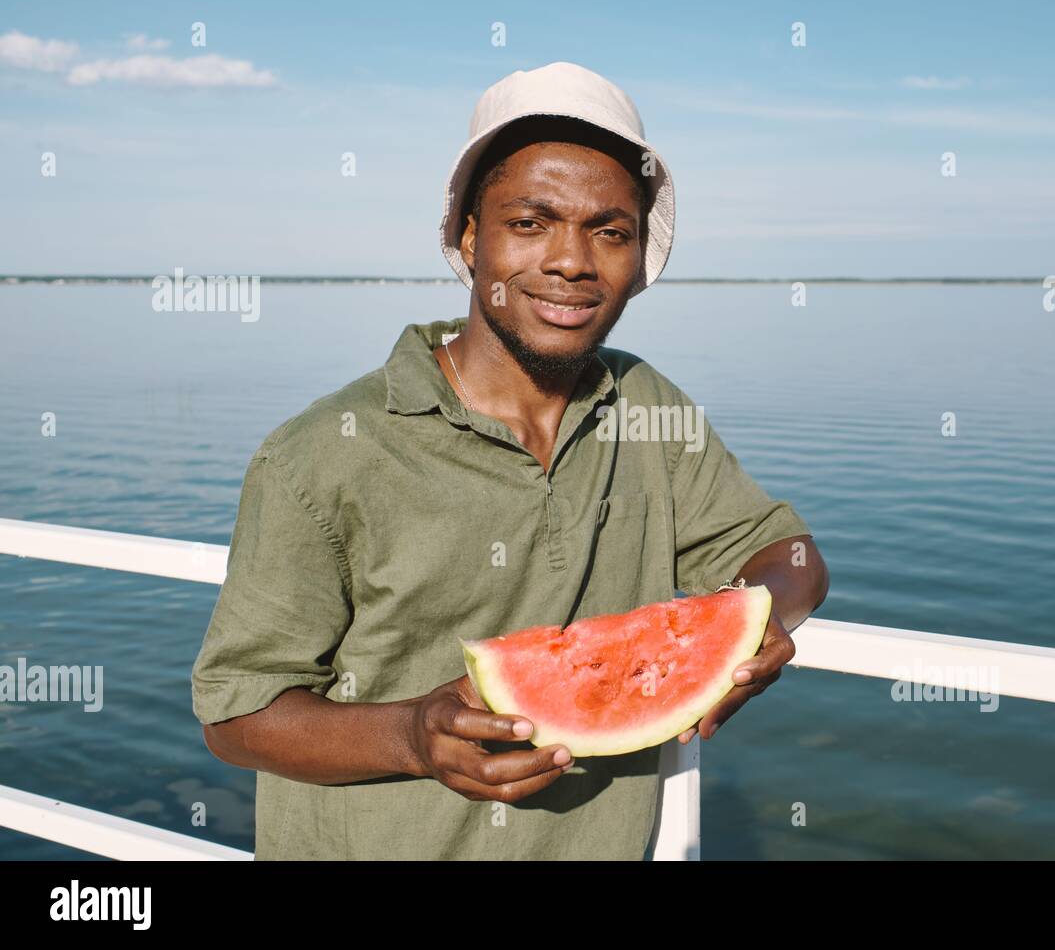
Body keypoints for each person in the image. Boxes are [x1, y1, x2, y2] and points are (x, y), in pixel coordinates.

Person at [191, 61, 829, 860]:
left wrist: (753, 622)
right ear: (468, 236)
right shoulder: (320, 454)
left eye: (610, 231)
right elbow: (235, 716)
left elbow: (789, 554)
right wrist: (409, 736)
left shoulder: (647, 407)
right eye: (531, 223)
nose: (572, 262)